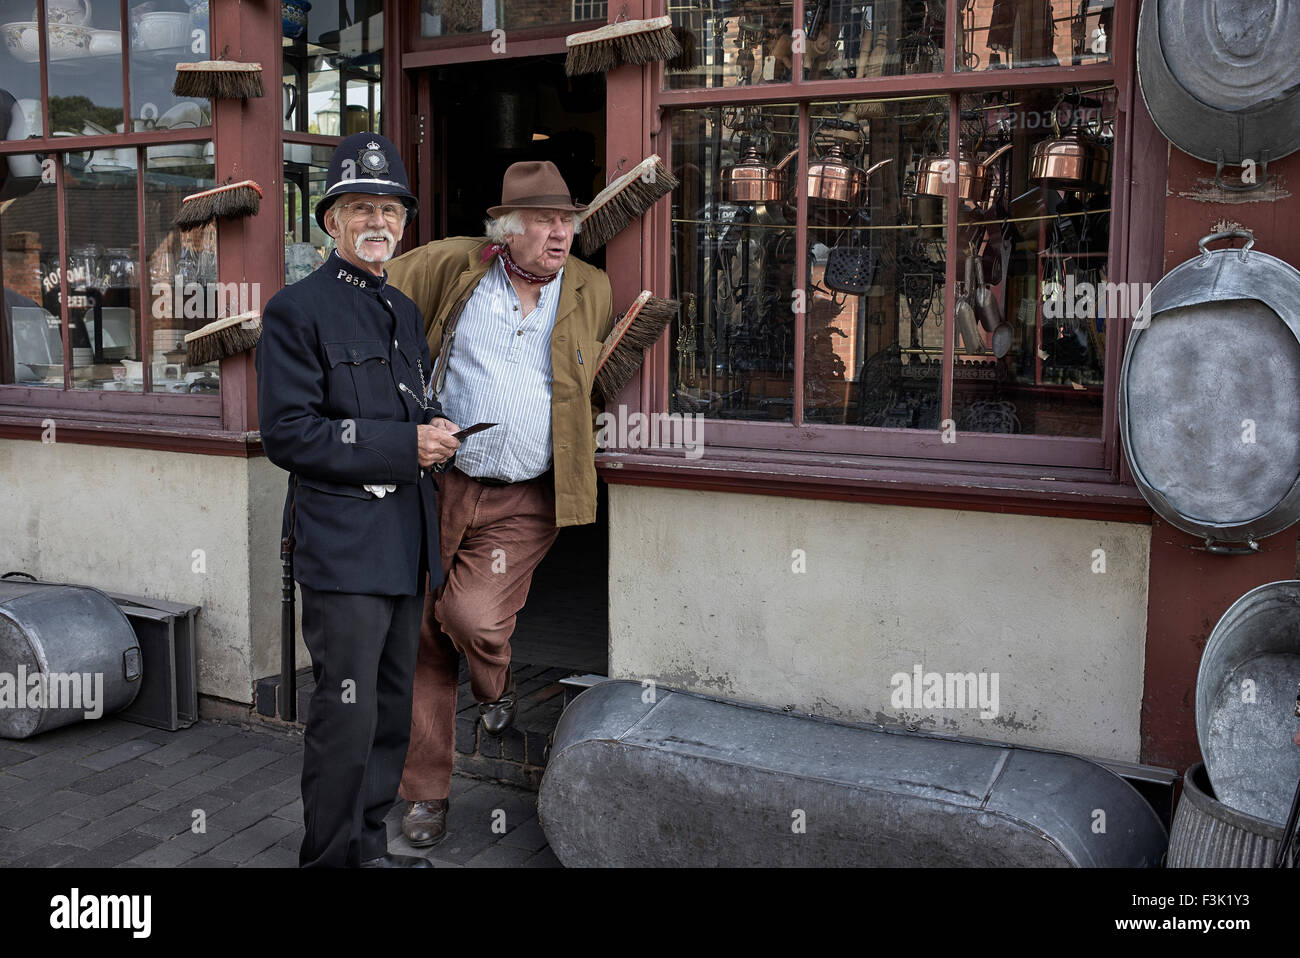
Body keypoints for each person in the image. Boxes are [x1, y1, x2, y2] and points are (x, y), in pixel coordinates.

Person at [385, 160, 614, 847]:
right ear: (507, 231)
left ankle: (497, 684)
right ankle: (424, 795)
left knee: (471, 616)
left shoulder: (590, 288)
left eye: (567, 220)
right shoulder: (454, 267)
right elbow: (370, 294)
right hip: (442, 485)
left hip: (526, 496)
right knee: (425, 634)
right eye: (544, 220)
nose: (559, 233)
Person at [256, 132, 461, 868]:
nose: (379, 222)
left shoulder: (402, 312)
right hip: (344, 551)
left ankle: (367, 849)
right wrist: (404, 446)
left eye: (391, 210)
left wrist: (434, 429)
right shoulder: (295, 311)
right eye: (361, 207)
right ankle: (331, 858)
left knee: (388, 718)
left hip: (405, 547)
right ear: (332, 222)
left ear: (405, 225)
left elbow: (402, 408)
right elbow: (289, 433)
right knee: (345, 719)